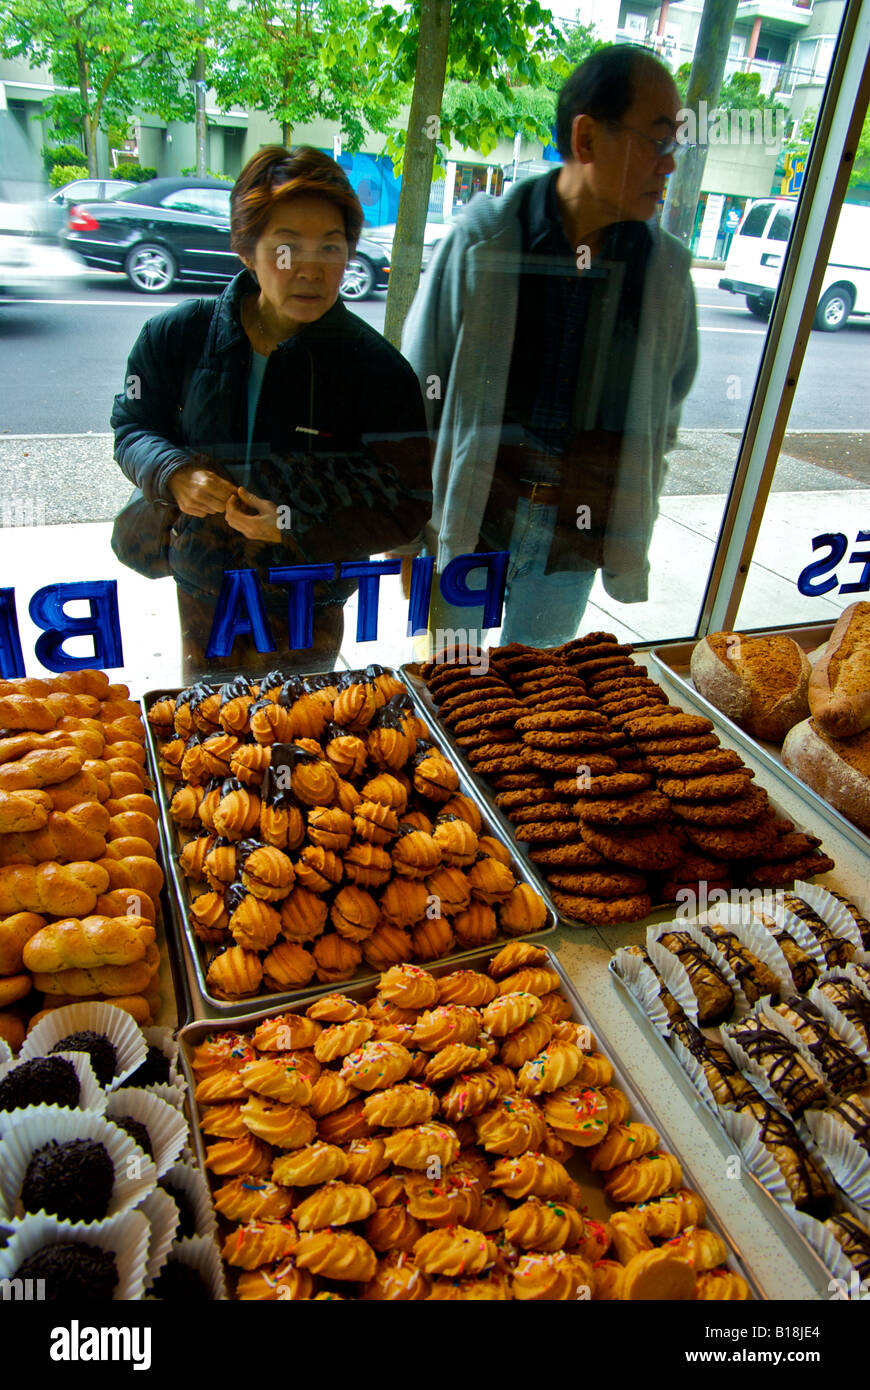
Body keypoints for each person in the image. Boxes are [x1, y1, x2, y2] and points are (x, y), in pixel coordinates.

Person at [400, 45, 699, 649]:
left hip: (574, 533)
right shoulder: (486, 239)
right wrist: (407, 536)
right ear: (587, 138)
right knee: (455, 690)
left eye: (675, 145)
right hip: (472, 522)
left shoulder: (662, 270)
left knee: (539, 708)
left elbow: (663, 416)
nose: (669, 165)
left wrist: (632, 511)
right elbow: (415, 390)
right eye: (657, 140)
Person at [111, 145, 431, 679]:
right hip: (204, 582)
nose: (310, 269)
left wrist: (290, 522)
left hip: (309, 598)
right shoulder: (177, 336)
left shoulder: (377, 371)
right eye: (286, 248)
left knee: (300, 735)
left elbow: (405, 503)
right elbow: (133, 427)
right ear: (247, 250)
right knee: (206, 731)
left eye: (331, 248)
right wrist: (174, 472)